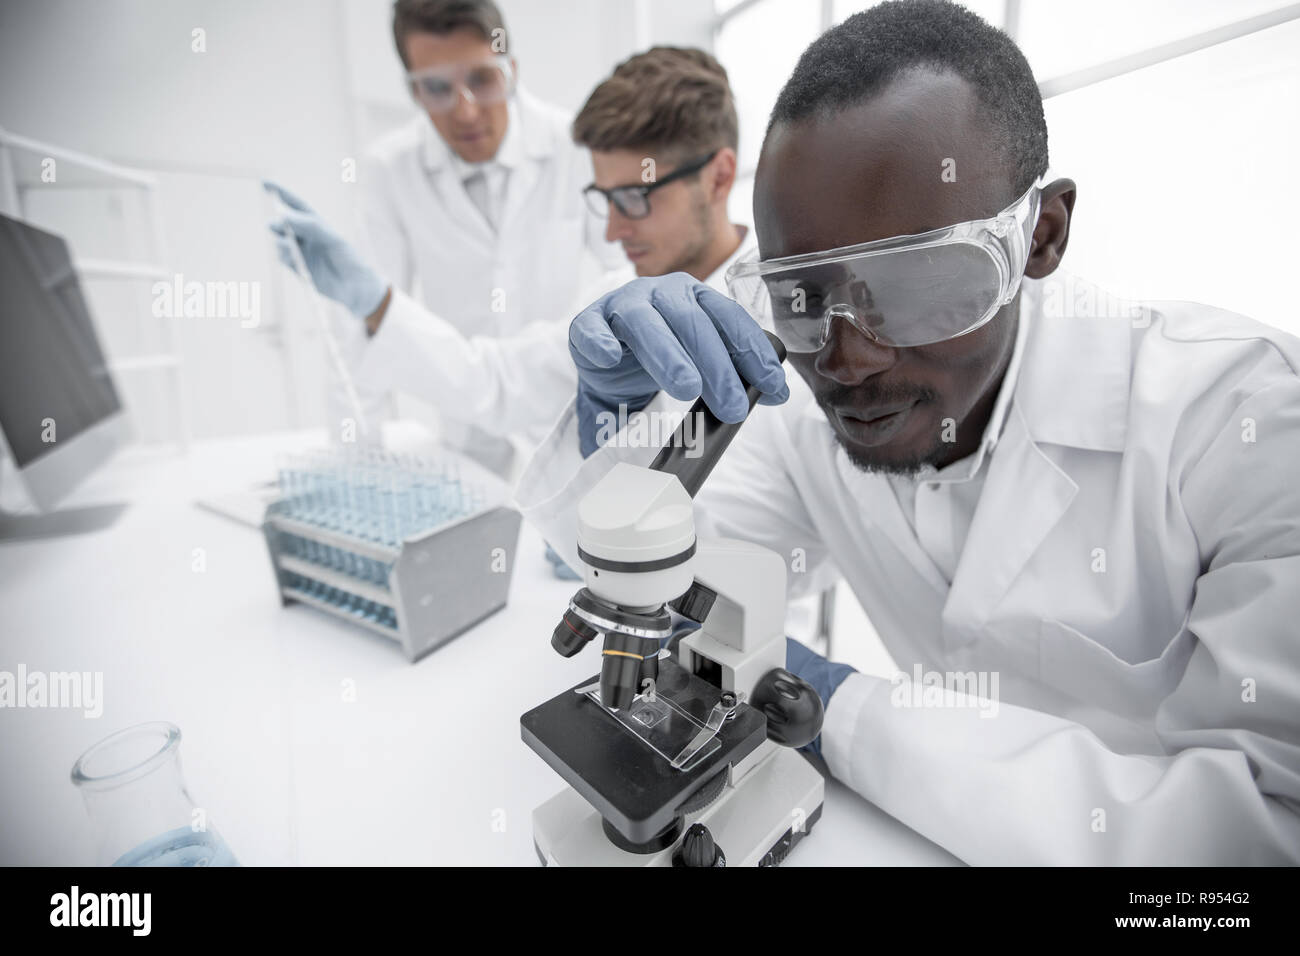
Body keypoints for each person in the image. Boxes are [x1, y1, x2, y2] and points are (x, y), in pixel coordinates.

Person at [514, 0, 1300, 864]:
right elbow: (654, 573)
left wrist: (841, 708)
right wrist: (612, 417)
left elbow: (1261, 834)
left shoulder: (1247, 422)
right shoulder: (796, 424)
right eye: (803, 296)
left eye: (920, 281)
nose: (848, 359)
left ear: (1041, 235)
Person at [269, 0, 623, 474]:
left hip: (564, 411)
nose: (465, 111)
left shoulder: (574, 146)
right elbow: (361, 325)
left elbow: (624, 277)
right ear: (413, 93)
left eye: (482, 79)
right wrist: (357, 465)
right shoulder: (390, 170)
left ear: (511, 70)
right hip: (466, 429)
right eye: (436, 88)